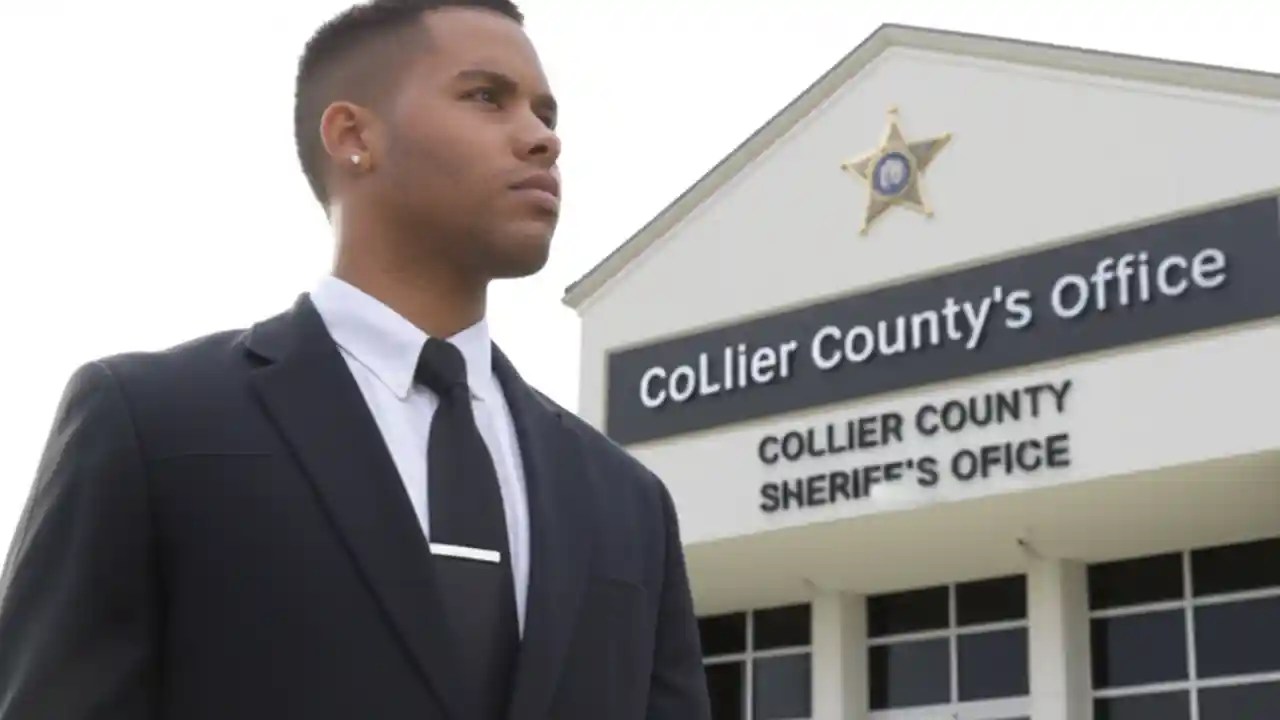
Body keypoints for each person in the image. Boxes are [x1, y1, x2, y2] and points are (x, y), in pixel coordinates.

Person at [0, 1, 713, 718]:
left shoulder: (630, 502)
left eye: (546, 114)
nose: (541, 140)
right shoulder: (150, 426)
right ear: (353, 136)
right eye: (486, 97)